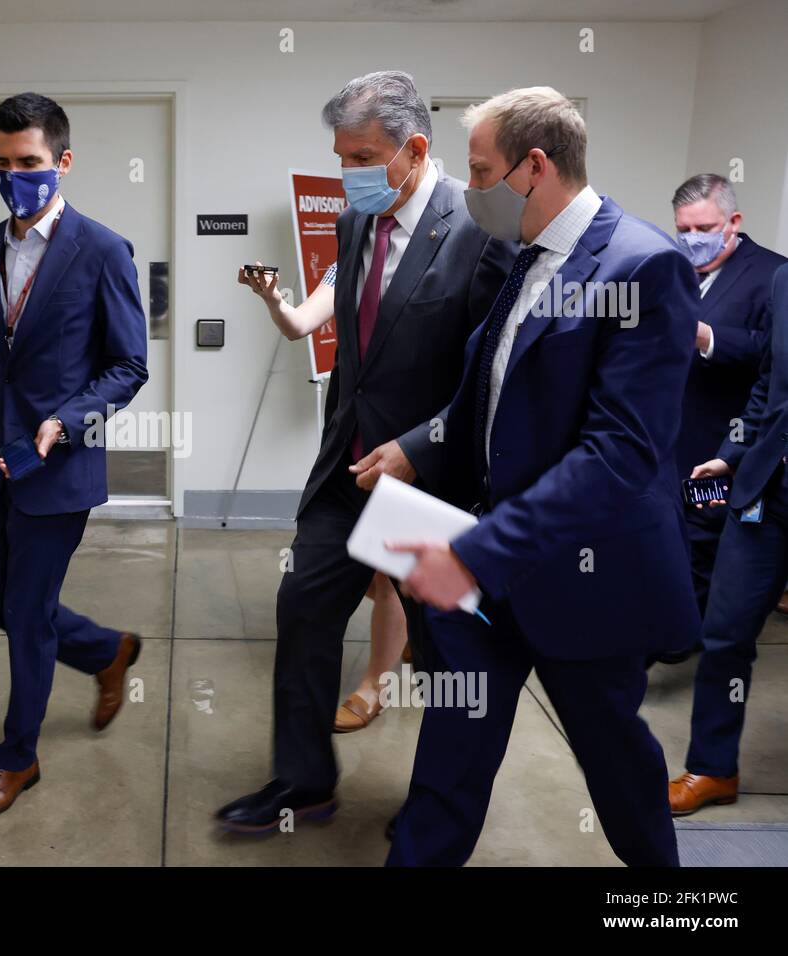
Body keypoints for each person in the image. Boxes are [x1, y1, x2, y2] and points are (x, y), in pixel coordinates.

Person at [386, 87, 700, 866]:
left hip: (585, 576)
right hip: (487, 573)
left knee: (617, 768)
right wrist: (417, 448)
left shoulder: (643, 264)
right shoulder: (520, 253)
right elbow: (488, 391)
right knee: (448, 763)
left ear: (534, 166)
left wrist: (473, 553)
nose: (470, 190)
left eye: (480, 170)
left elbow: (620, 454)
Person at [216, 71, 511, 833]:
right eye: (338, 157)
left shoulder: (480, 229)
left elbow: (493, 376)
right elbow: (344, 338)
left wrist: (421, 446)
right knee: (303, 610)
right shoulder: (354, 224)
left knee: (443, 657)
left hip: (429, 488)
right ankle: (304, 782)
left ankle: (437, 809)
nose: (344, 173)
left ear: (414, 151)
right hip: (346, 469)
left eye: (359, 158)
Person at [0, 92, 148, 820]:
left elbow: (128, 365)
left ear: (63, 162)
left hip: (58, 469)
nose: (17, 177)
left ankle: (17, 760)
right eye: (2, 164)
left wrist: (67, 424)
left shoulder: (103, 251)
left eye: (31, 163)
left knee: (25, 606)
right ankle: (106, 650)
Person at [239, 261, 409, 732]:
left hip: (406, 441)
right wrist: (274, 299)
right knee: (356, 572)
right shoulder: (349, 260)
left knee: (387, 567)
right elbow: (299, 324)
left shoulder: (446, 247)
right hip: (349, 442)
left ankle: (376, 683)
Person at [670, 263, 788, 816]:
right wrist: (733, 454)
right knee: (725, 633)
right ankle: (712, 769)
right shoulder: (785, 282)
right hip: (767, 490)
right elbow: (770, 385)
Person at [666, 174, 787, 637]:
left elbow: (773, 358)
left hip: (727, 438)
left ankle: (682, 638)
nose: (692, 240)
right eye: (684, 229)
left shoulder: (772, 274)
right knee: (670, 535)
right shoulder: (671, 264)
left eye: (703, 228)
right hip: (669, 434)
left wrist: (707, 337)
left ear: (733, 221)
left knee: (703, 536)